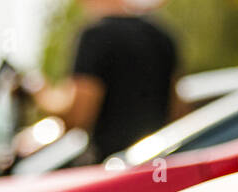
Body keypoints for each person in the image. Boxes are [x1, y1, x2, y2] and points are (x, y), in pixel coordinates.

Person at [29, 0, 182, 162]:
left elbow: (78, 118)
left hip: (113, 166)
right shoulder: (162, 36)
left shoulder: (95, 37)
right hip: (156, 165)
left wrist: (41, 95)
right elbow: (179, 111)